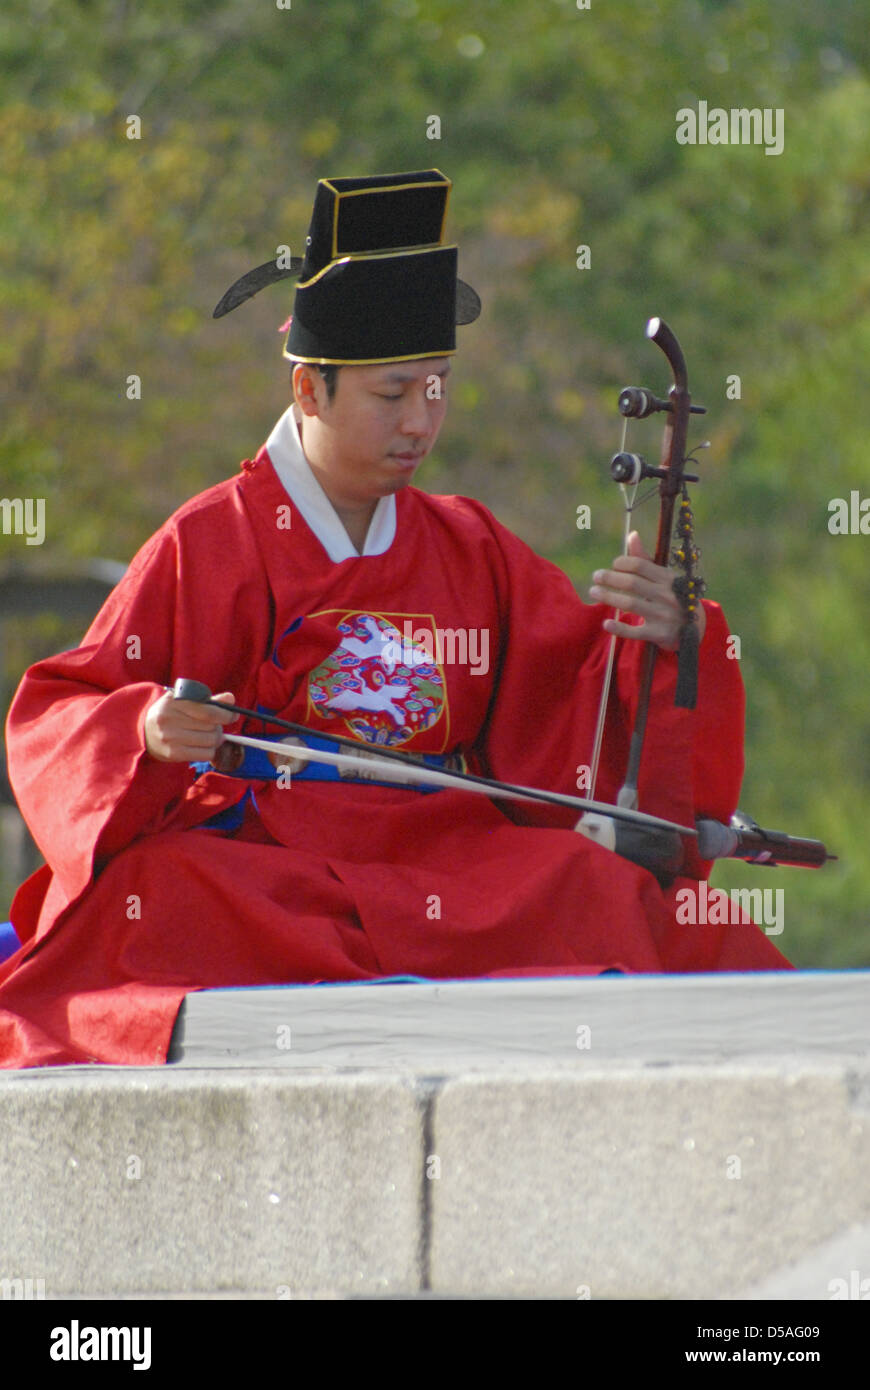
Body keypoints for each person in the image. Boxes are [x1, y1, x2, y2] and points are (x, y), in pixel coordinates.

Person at [0, 169, 790, 1069]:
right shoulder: (211, 539)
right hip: (276, 862)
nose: (421, 421)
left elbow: (570, 700)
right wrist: (146, 728)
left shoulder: (468, 542)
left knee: (596, 883)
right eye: (393, 394)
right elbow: (60, 708)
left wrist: (664, 641)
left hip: (445, 855)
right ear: (310, 390)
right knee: (161, 892)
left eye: (438, 389)